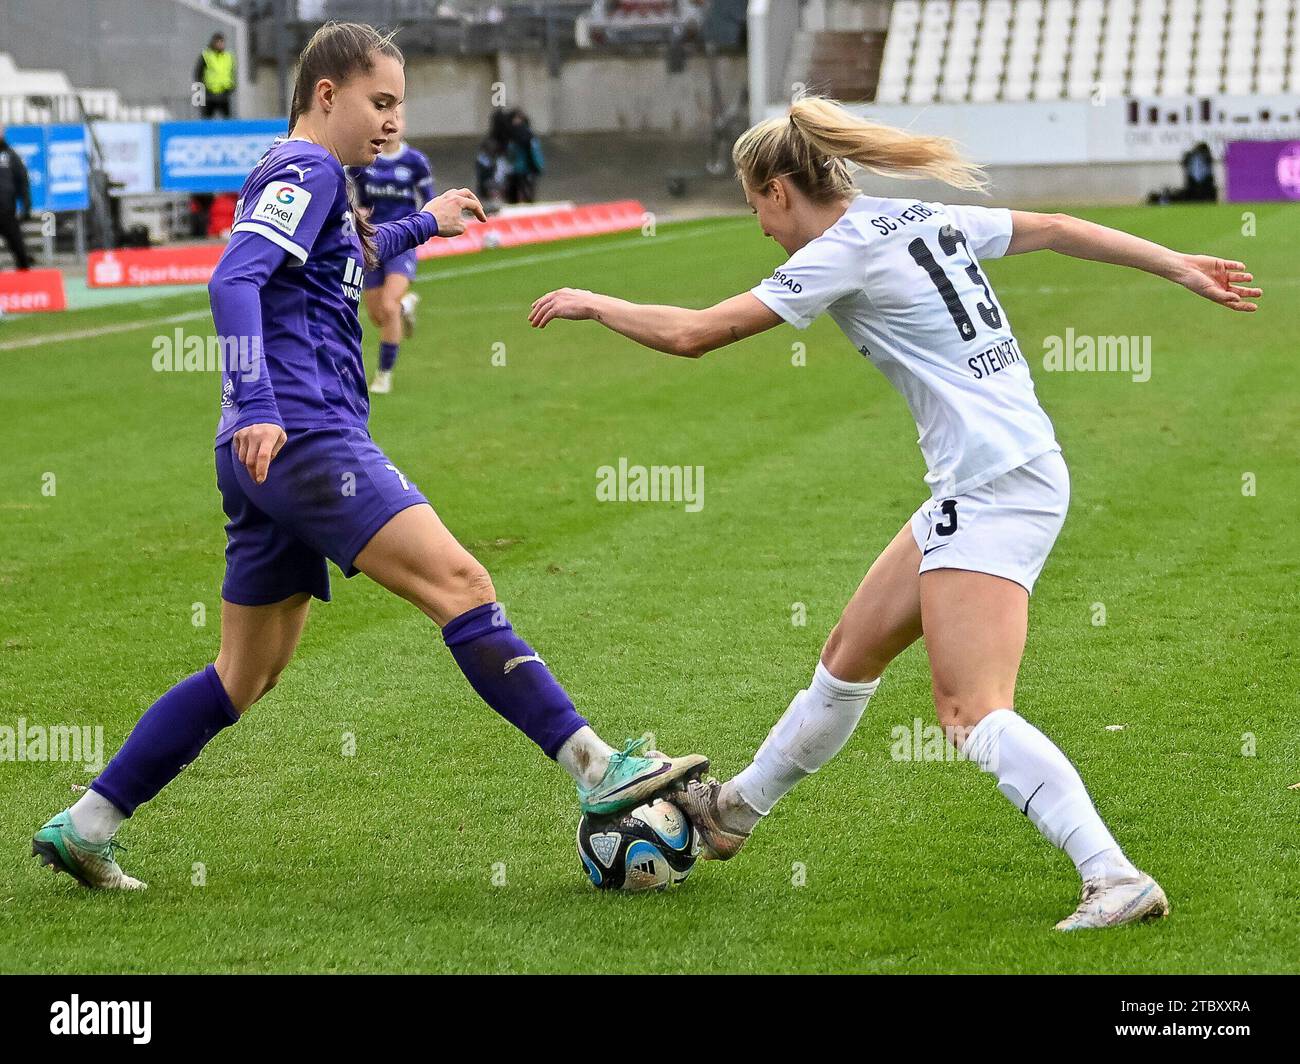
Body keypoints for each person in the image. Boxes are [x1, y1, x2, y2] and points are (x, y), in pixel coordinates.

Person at [529, 96, 1262, 931]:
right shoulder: (911, 212)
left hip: (993, 488)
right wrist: (1176, 264)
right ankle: (731, 815)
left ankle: (1113, 875)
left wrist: (598, 303)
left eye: (756, 209)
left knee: (970, 712)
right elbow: (1058, 225)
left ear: (778, 190)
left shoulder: (840, 250)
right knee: (848, 657)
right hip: (996, 478)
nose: (763, 230)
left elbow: (699, 333)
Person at [32, 21, 706, 891]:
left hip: (266, 453)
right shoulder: (307, 167)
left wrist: (428, 219)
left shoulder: (316, 183)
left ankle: (85, 825)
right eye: (380, 102)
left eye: (400, 105)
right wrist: (256, 401)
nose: (393, 122)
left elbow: (343, 262)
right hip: (304, 435)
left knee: (246, 674)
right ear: (325, 94)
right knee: (462, 585)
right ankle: (596, 766)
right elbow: (230, 280)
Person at [347, 104, 433, 393]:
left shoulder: (416, 162)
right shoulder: (365, 161)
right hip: (373, 243)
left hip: (403, 244)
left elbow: (429, 201)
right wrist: (357, 213)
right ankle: (407, 305)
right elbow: (354, 200)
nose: (393, 123)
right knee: (377, 315)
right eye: (389, 117)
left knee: (388, 305)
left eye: (399, 118)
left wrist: (426, 225)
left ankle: (383, 374)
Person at [0, 128, 32, 271]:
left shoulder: (11, 155)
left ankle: (26, 287)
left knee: (20, 251)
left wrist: (26, 206)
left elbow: (22, 181)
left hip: (7, 212)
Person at [194, 32, 235, 118]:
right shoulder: (206, 56)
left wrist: (231, 88)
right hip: (209, 94)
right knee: (207, 121)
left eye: (222, 42)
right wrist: (202, 92)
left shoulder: (228, 56)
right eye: (218, 42)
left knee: (228, 120)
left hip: (224, 93)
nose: (220, 44)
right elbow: (198, 74)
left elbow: (232, 73)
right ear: (213, 43)